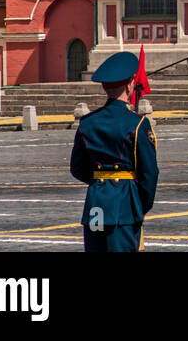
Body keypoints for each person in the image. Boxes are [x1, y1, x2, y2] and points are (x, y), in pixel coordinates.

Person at [69, 52, 159, 253]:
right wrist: (140, 204)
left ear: (103, 87)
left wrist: (101, 181)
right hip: (125, 204)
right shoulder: (137, 123)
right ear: (130, 85)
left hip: (95, 205)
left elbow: (77, 168)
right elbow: (149, 174)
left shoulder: (88, 122)